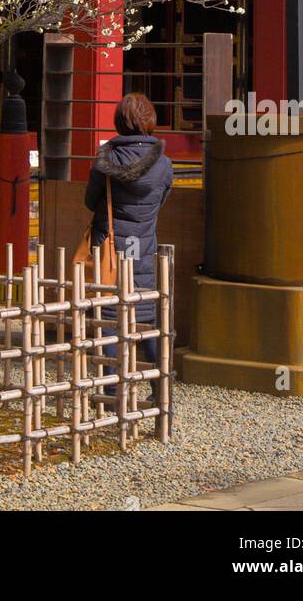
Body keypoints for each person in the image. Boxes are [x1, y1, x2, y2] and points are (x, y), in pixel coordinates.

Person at [83, 92, 173, 387]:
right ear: (150, 121)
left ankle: (110, 390)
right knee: (146, 312)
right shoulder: (163, 164)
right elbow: (161, 200)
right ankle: (160, 386)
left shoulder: (105, 158)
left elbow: (90, 201)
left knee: (109, 314)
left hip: (110, 247)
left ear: (119, 121)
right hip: (143, 245)